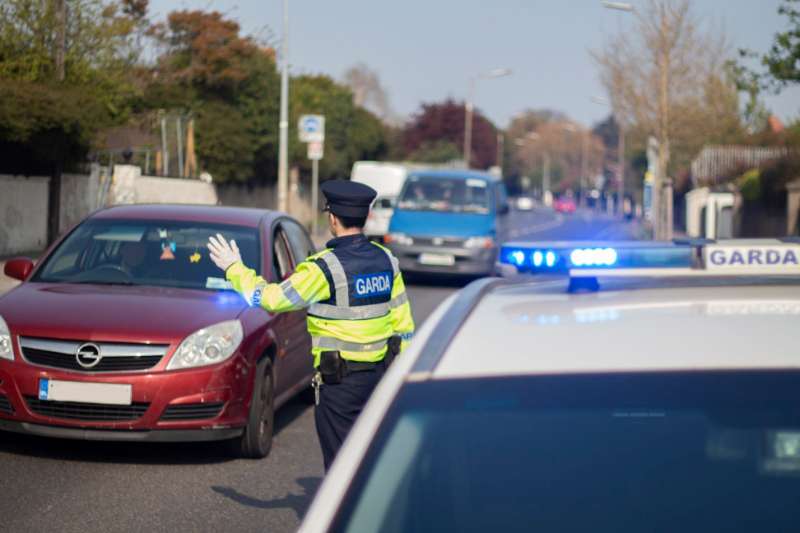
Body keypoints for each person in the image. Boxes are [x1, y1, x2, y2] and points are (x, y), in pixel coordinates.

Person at [207, 179, 415, 470]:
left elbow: (271, 299)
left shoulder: (324, 268)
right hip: (380, 378)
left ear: (331, 218)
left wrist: (234, 269)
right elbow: (403, 322)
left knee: (341, 468)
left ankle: (345, 516)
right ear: (366, 217)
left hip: (341, 384)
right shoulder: (387, 260)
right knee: (371, 459)